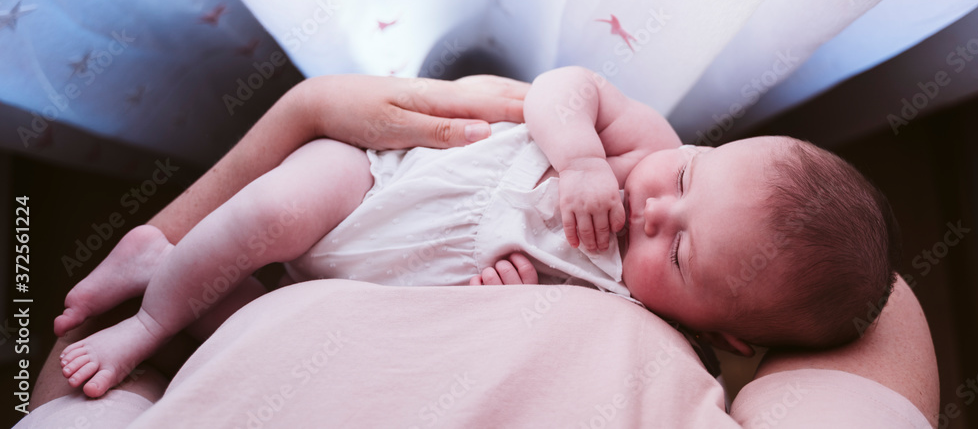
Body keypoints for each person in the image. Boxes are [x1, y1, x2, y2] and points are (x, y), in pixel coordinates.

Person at [53, 67, 899, 398]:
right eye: (686, 180)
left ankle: (167, 266)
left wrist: (500, 302)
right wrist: (578, 156)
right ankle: (149, 313)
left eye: (677, 250)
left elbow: (489, 338)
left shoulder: (636, 320)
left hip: (349, 291)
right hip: (372, 183)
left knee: (241, 322)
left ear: (724, 332)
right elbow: (563, 87)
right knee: (268, 215)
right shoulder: (641, 144)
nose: (653, 208)